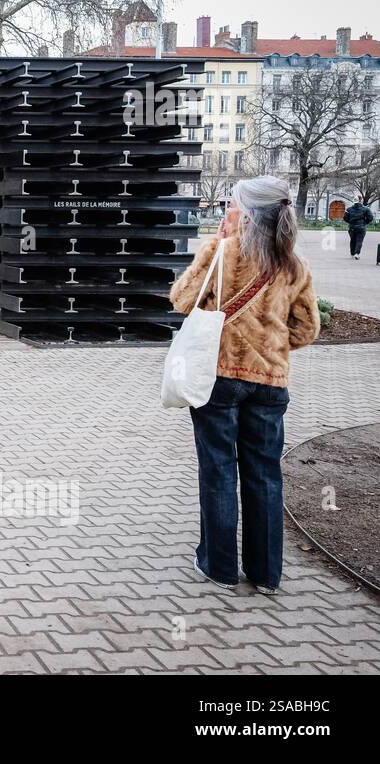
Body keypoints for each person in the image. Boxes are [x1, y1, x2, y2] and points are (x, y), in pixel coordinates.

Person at [170, 176, 320, 595]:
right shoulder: (295, 265)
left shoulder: (222, 251)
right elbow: (306, 330)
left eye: (231, 205)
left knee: (218, 470)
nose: (226, 212)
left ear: (249, 214)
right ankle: (266, 573)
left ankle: (218, 566)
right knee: (266, 474)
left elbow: (182, 299)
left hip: (219, 379)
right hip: (271, 384)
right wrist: (270, 346)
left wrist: (211, 249)